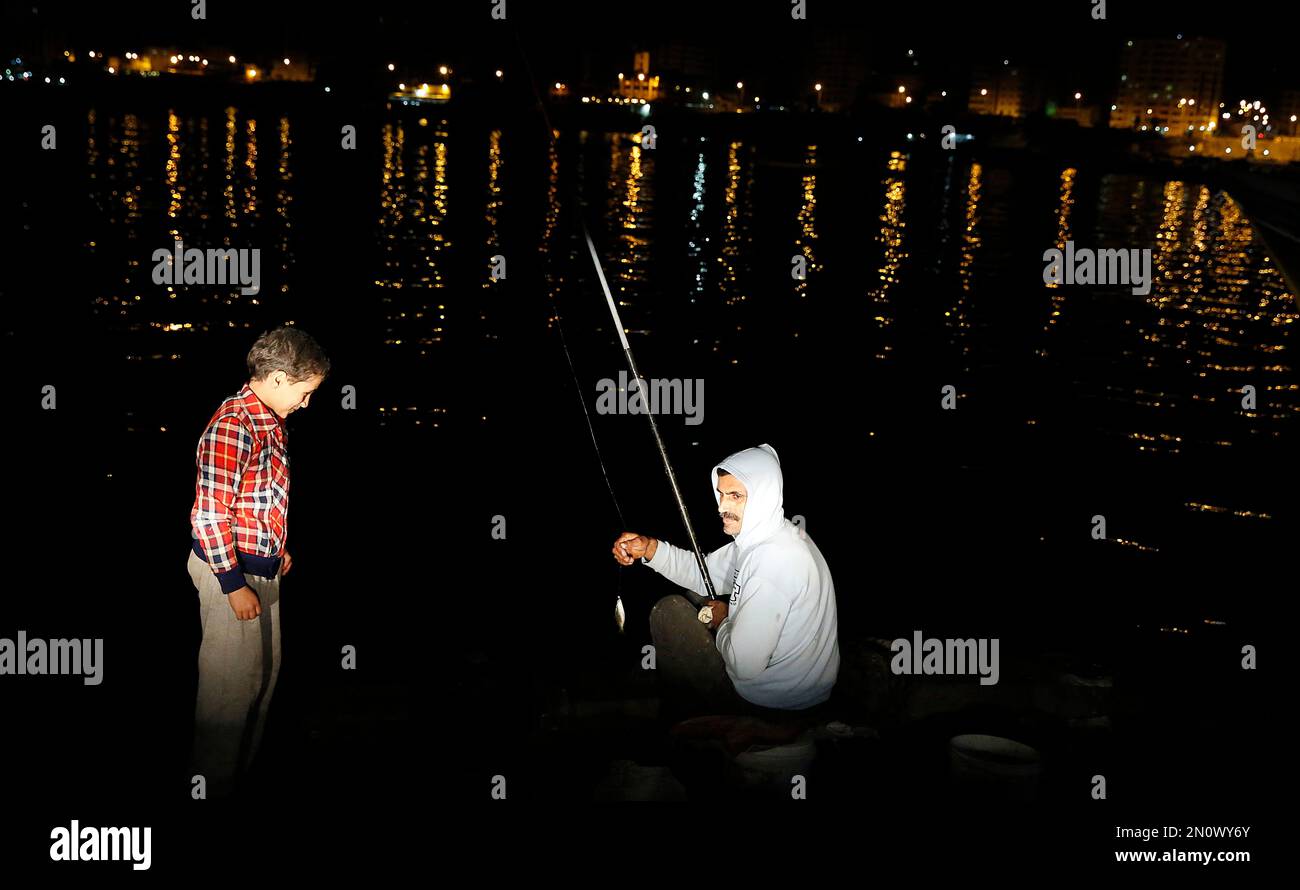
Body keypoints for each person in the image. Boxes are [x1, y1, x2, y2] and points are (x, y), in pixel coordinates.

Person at [187, 325, 329, 798]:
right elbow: (208, 514)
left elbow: (256, 498)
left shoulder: (270, 421)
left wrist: (274, 545)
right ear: (278, 378)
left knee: (259, 683)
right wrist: (231, 582)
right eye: (305, 392)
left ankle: (237, 783)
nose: (307, 404)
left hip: (260, 566)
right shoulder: (233, 424)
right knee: (227, 696)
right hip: (230, 573)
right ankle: (211, 788)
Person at [612, 444, 839, 729]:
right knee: (695, 594)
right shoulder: (770, 534)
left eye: (735, 496)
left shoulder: (773, 562)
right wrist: (648, 548)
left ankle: (685, 722)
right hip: (799, 692)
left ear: (763, 495)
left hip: (777, 708)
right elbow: (702, 571)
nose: (722, 507)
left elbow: (744, 666)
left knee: (670, 612)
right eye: (721, 493)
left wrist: (722, 622)